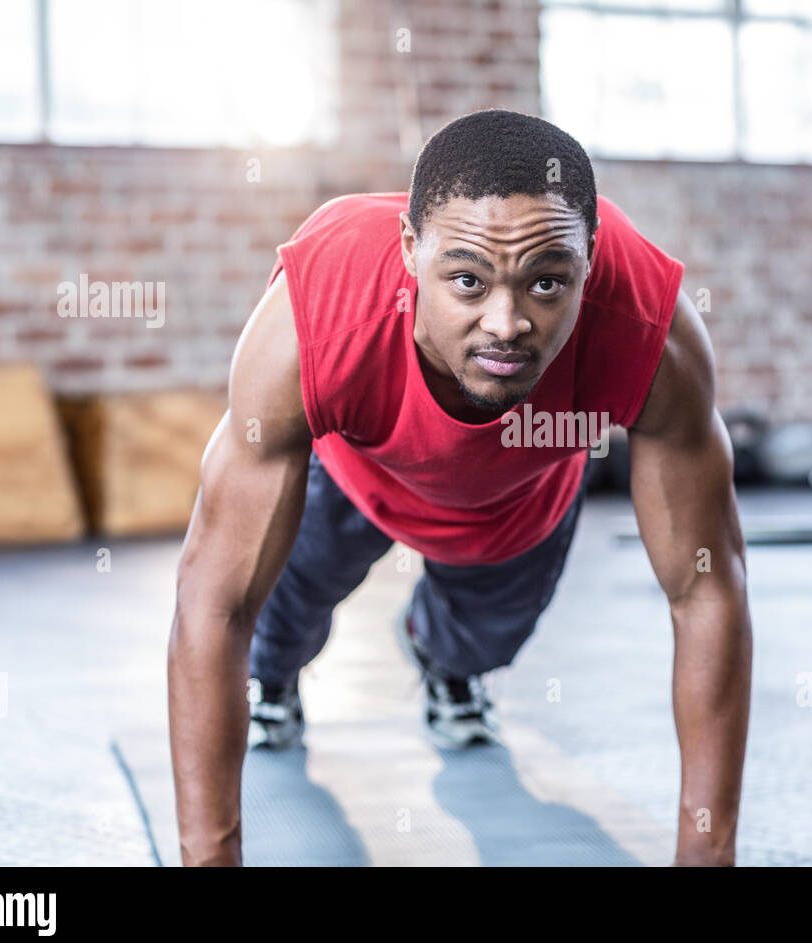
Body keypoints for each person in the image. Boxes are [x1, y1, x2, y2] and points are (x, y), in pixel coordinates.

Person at [167, 109, 752, 866]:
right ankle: (275, 681)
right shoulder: (317, 317)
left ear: (591, 259)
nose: (507, 323)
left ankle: (442, 659)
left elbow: (705, 592)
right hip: (354, 472)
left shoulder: (650, 330)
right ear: (411, 252)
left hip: (521, 494)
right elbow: (214, 597)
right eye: (468, 281)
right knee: (274, 616)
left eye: (547, 283)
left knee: (479, 643)